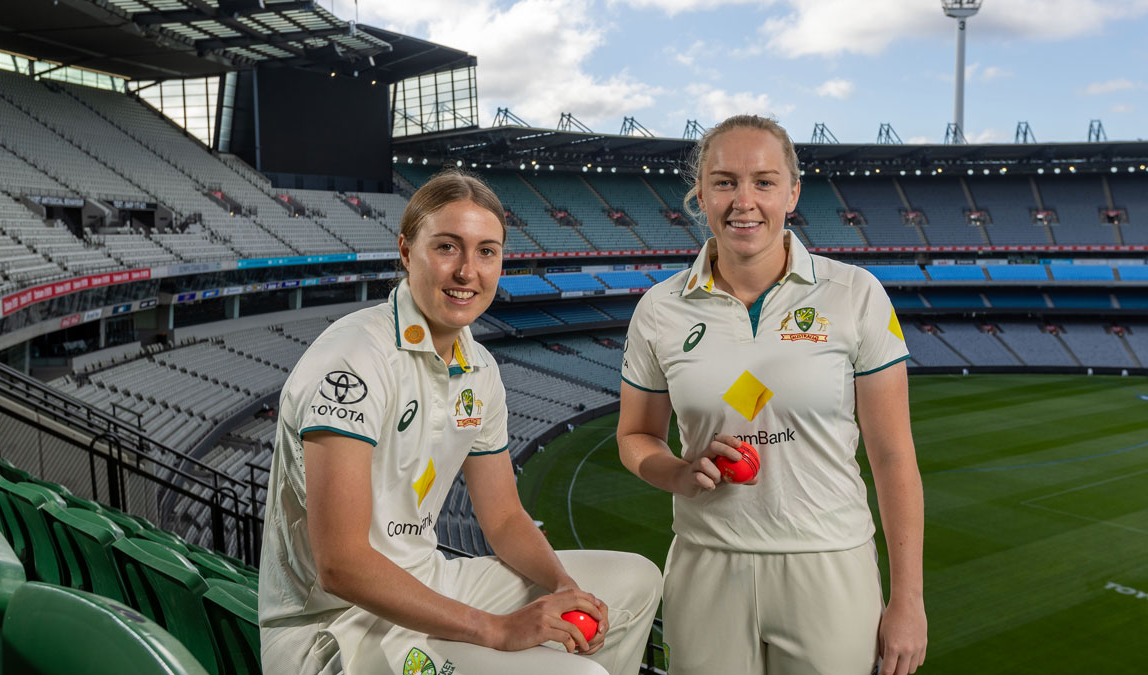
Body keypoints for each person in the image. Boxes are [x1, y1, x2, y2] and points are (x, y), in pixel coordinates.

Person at [258, 171, 662, 675]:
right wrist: (496, 630)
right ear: (406, 252)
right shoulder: (355, 358)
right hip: (334, 626)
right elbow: (340, 565)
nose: (468, 271)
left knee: (635, 580)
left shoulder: (480, 368)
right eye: (448, 247)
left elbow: (505, 520)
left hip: (429, 582)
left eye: (487, 251)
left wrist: (564, 587)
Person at [617, 115, 926, 675]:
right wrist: (677, 472)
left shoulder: (855, 294)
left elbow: (893, 454)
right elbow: (635, 436)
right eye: (724, 181)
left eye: (763, 181)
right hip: (706, 562)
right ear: (701, 194)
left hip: (830, 564)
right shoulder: (659, 309)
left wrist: (908, 600)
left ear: (792, 192)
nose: (744, 201)